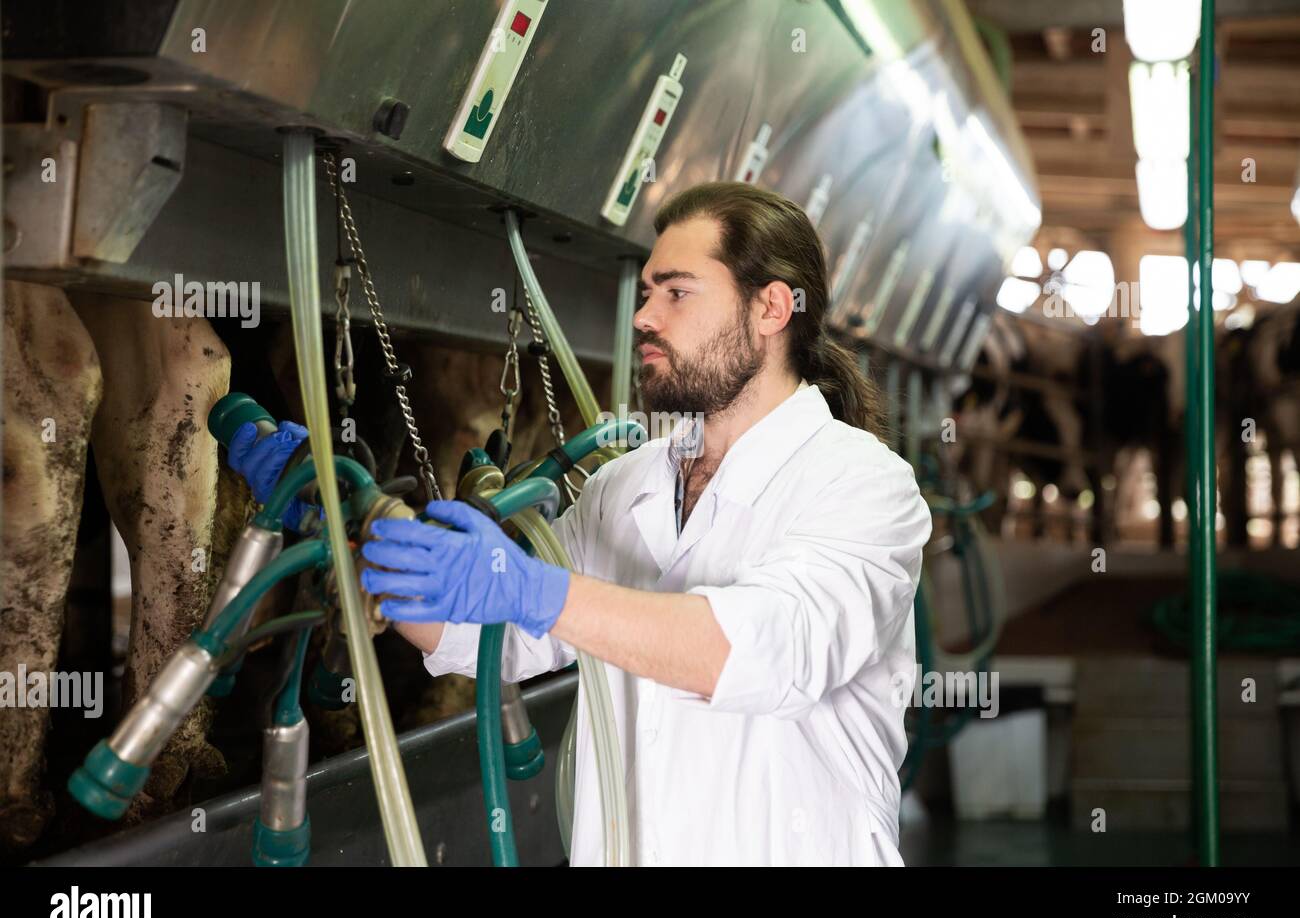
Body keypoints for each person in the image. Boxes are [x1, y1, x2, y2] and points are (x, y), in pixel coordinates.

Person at [229, 181, 932, 866]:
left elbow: (770, 653)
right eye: (648, 290)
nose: (644, 317)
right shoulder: (626, 484)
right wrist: (357, 525)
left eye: (677, 293)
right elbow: (489, 640)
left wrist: (536, 590)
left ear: (771, 309)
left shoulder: (863, 486)